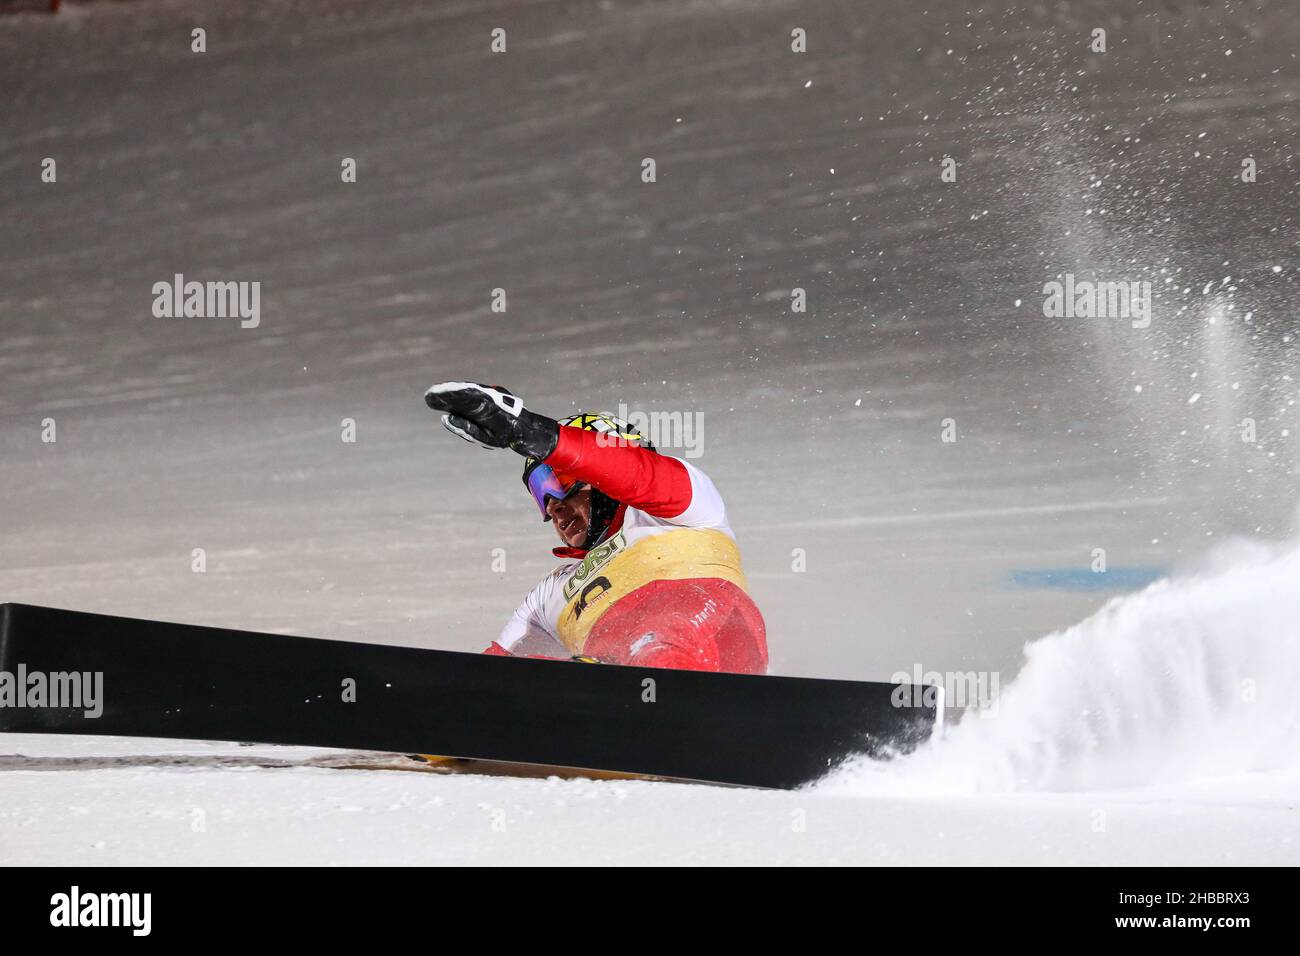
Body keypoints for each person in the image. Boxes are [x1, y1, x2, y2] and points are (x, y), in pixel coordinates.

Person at [424, 382, 768, 674]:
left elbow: (634, 472)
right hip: (614, 679)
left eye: (562, 481)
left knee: (658, 638)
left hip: (709, 638)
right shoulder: (548, 595)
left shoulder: (680, 507)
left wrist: (532, 433)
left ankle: (648, 700)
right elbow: (496, 668)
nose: (553, 505)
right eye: (541, 493)